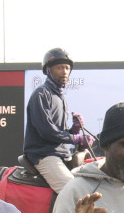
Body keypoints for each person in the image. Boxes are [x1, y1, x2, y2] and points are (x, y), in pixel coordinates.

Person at [23, 47, 92, 193]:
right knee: (73, 192)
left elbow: (58, 133)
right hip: (43, 155)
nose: (64, 71)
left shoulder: (60, 96)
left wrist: (73, 130)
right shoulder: (41, 94)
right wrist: (76, 139)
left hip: (60, 154)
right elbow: (46, 131)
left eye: (67, 68)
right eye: (60, 67)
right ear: (48, 70)